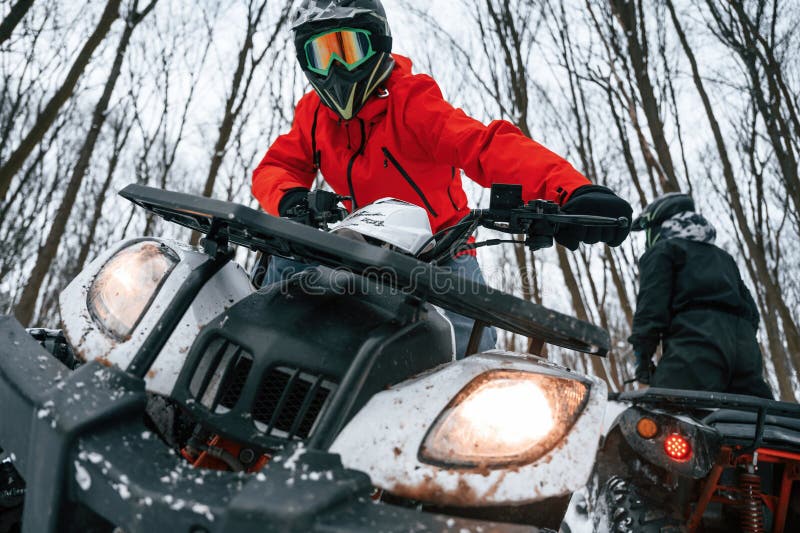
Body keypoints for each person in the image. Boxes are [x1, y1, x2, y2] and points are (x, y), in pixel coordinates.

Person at [252, 0, 632, 357]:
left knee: (471, 356)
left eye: (349, 50)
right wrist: (290, 199)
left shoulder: (411, 102)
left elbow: (485, 147)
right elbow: (276, 167)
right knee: (287, 279)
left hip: (442, 251)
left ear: (378, 44)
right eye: (322, 55)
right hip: (362, 248)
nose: (336, 67)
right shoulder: (315, 115)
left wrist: (571, 190)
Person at [628, 193, 773, 398]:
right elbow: (752, 314)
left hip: (696, 349)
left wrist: (642, 363)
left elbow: (650, 311)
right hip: (745, 354)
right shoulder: (724, 258)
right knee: (755, 415)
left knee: (662, 409)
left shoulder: (663, 251)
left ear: (657, 226)